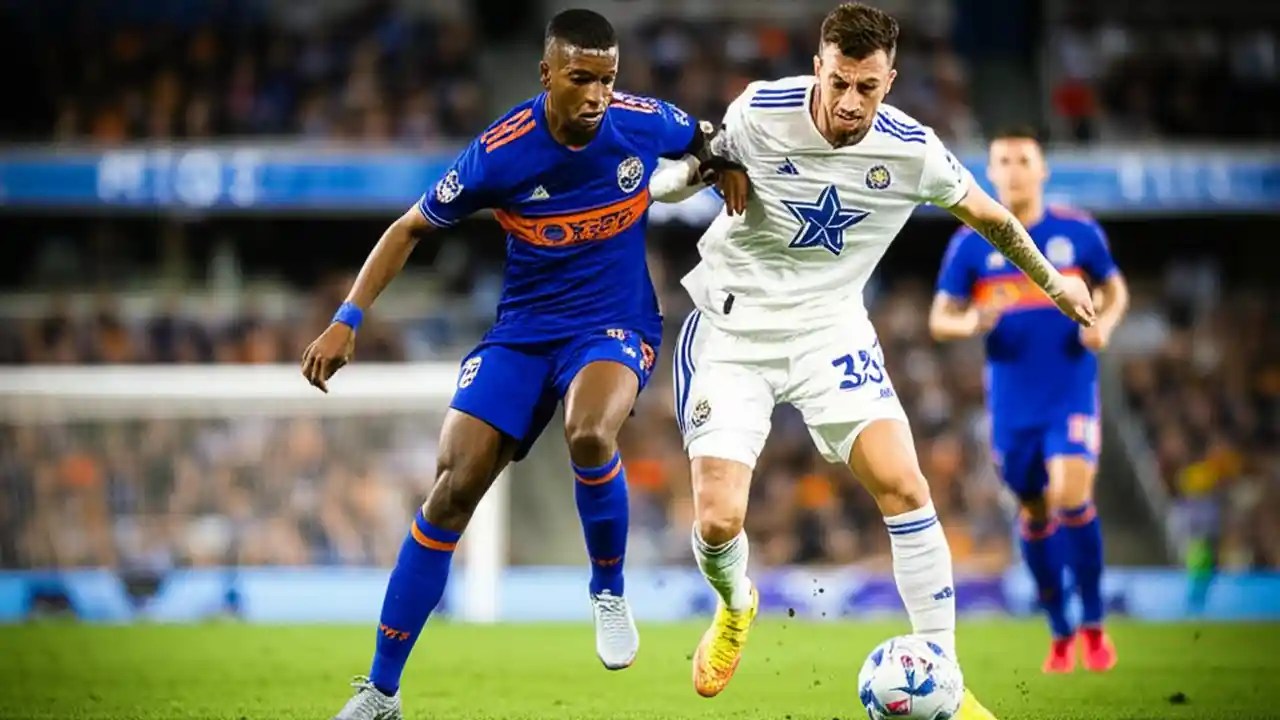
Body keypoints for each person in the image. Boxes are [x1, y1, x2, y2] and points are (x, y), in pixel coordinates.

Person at [302, 10, 743, 719]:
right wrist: (347, 319)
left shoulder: (641, 121)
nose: (598, 94)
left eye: (607, 79)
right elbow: (409, 226)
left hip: (615, 323)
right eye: (581, 79)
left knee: (591, 433)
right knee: (450, 489)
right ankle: (381, 691)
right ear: (546, 75)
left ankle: (607, 590)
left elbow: (713, 138)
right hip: (524, 332)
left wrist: (725, 169)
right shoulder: (499, 153)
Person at [667, 4, 1095, 717]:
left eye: (867, 87)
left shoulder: (912, 150)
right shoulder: (760, 111)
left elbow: (990, 216)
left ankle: (947, 679)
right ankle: (736, 604)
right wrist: (706, 169)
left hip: (830, 330)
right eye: (839, 82)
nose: (849, 102)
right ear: (818, 67)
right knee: (717, 519)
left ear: (889, 80)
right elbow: (687, 170)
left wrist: (1054, 285)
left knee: (903, 482)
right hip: (732, 329)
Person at [930, 128, 1128, 673]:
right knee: (1035, 508)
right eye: (1004, 161)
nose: (1014, 170)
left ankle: (1092, 625)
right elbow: (939, 318)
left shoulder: (1077, 233)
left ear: (1042, 170)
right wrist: (972, 319)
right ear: (989, 172)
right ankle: (1060, 629)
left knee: (1070, 495)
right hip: (1013, 406)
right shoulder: (972, 243)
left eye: (1024, 160)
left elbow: (1115, 288)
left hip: (1069, 390)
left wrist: (1105, 324)